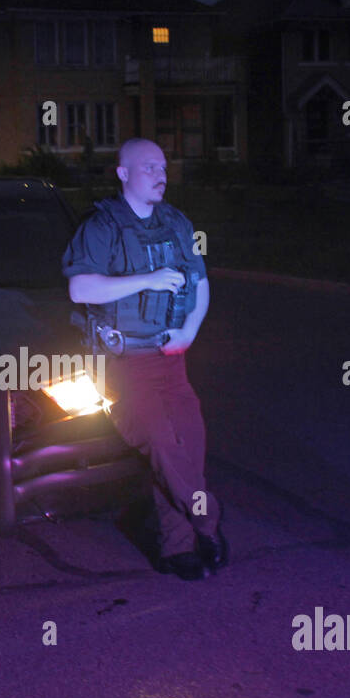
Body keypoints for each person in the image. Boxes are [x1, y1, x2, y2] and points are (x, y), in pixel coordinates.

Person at [62, 137, 227, 581]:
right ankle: (207, 523)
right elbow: (81, 289)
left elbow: (201, 283)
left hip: (170, 360)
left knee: (188, 447)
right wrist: (148, 279)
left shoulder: (176, 222)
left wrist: (188, 332)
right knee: (160, 444)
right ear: (123, 174)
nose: (161, 174)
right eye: (149, 167)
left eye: (163, 167)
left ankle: (179, 549)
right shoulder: (101, 227)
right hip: (123, 364)